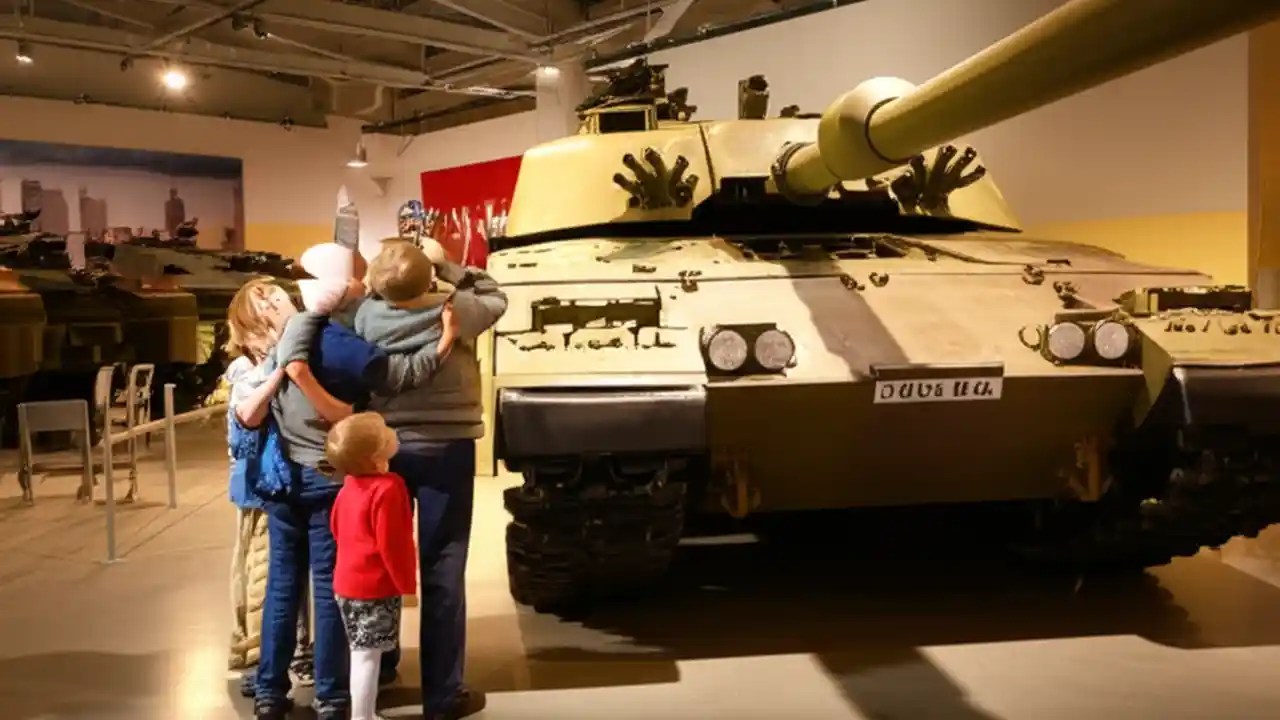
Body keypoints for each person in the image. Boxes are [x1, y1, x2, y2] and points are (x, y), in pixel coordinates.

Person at [249, 247, 454, 720]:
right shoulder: (346, 344)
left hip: (283, 477)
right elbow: (400, 375)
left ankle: (269, 692)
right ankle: (333, 696)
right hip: (326, 477)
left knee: (282, 587)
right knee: (328, 586)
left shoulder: (292, 333)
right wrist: (444, 340)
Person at [354, 239, 508, 720]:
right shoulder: (457, 307)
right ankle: (443, 692)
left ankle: (379, 669)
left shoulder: (367, 317)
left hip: (386, 450)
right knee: (443, 562)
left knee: (382, 560)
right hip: (447, 446)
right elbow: (495, 294)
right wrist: (446, 263)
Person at [222, 280, 314, 699]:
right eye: (262, 312)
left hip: (292, 481)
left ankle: (292, 655)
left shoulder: (286, 355)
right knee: (264, 577)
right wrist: (281, 365)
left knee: (289, 576)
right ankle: (270, 660)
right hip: (263, 486)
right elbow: (247, 420)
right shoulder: (247, 369)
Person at [326, 412, 417, 720]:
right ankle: (362, 716)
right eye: (386, 435)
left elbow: (336, 528)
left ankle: (364, 714)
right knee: (368, 656)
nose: (393, 434)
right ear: (376, 458)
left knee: (360, 651)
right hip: (375, 587)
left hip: (345, 584)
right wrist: (406, 584)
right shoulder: (389, 488)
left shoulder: (348, 486)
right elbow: (394, 543)